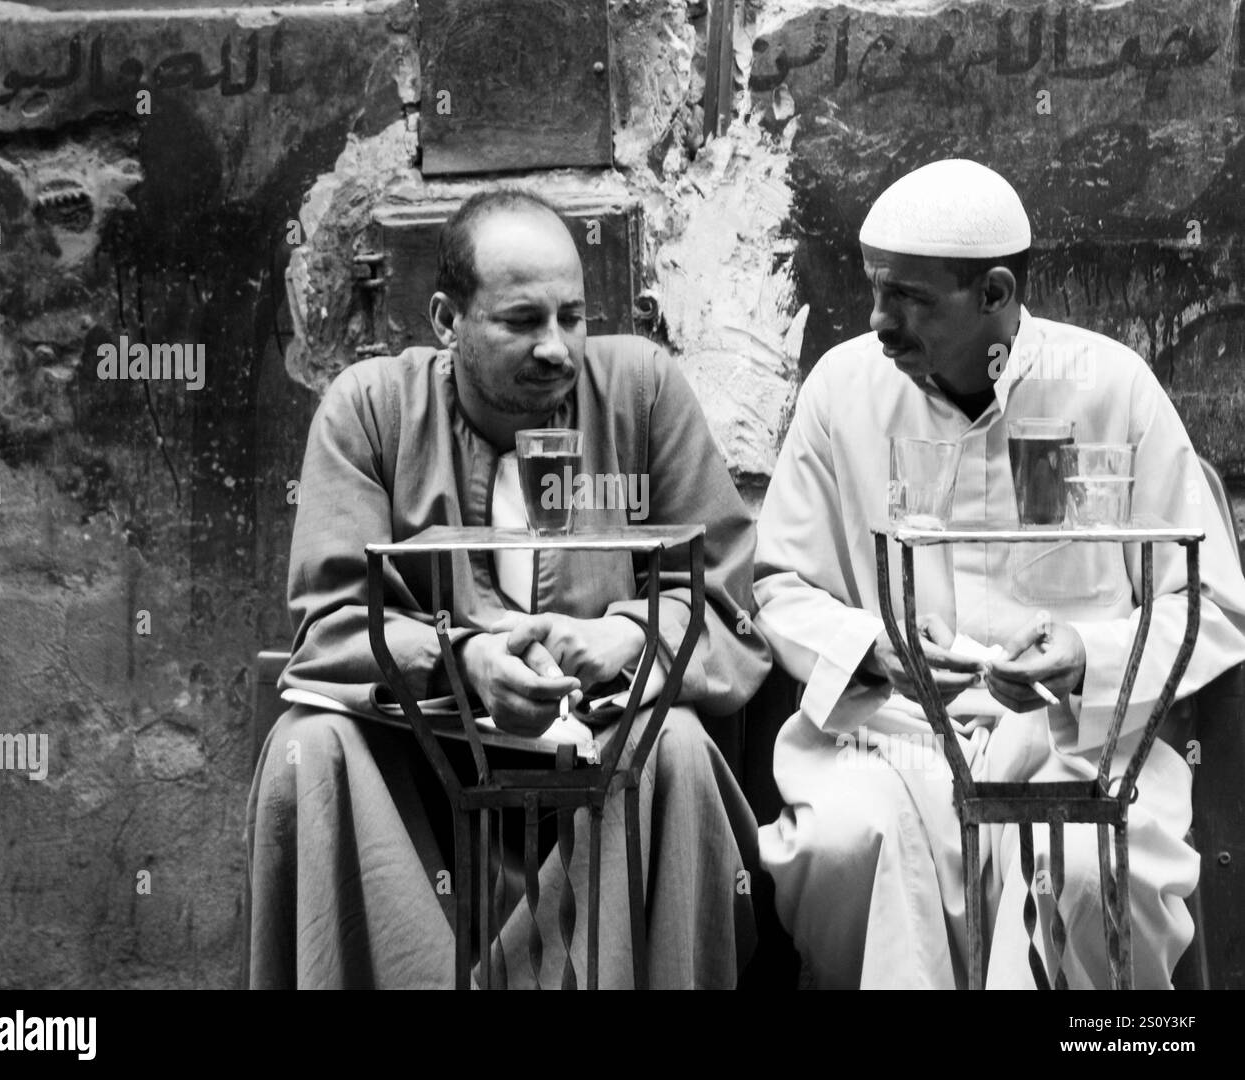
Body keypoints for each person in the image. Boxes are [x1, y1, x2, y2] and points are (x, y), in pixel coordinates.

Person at [246, 187, 770, 989]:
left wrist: (627, 637)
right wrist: (466, 661)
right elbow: (333, 627)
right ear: (446, 321)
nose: (558, 348)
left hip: (603, 773)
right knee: (306, 749)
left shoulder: (641, 391)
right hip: (424, 786)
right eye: (523, 321)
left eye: (573, 316)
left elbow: (725, 601)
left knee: (682, 748)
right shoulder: (372, 412)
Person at [754, 158, 1245, 989]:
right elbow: (781, 585)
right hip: (891, 738)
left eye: (908, 298)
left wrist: (1087, 655)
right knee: (848, 838)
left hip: (1076, 743)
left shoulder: (1109, 386)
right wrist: (878, 649)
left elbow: (1209, 603)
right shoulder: (843, 390)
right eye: (876, 291)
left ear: (995, 293)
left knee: (1087, 872)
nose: (878, 321)